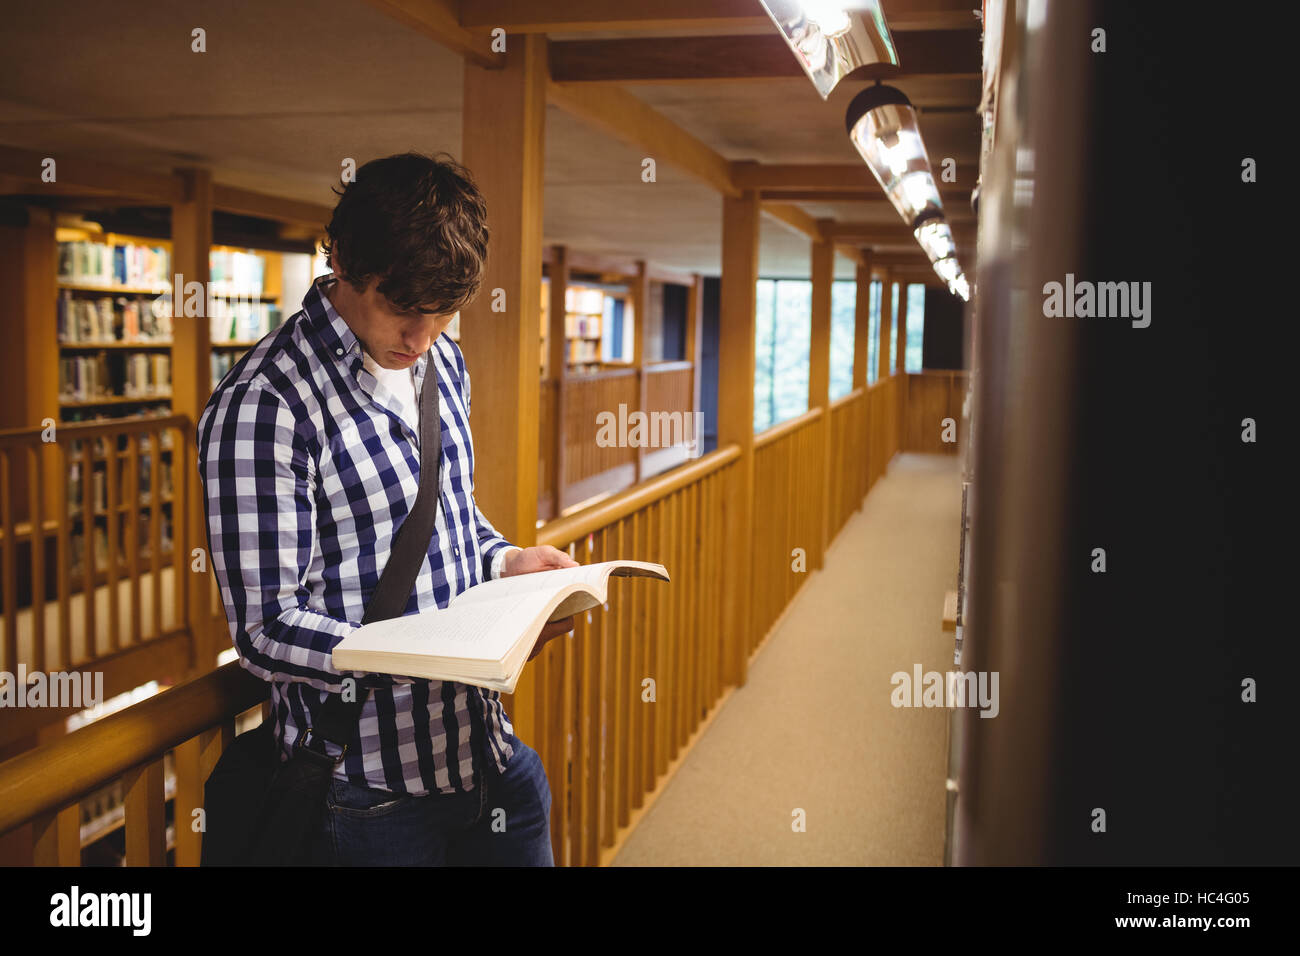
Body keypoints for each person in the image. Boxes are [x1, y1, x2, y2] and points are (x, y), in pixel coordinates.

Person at [197, 152, 577, 865]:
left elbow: (447, 516)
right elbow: (264, 627)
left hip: (488, 755)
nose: (422, 337)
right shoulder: (265, 405)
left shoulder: (442, 361)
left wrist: (506, 562)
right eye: (403, 309)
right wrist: (420, 656)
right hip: (370, 794)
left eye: (443, 314)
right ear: (341, 259)